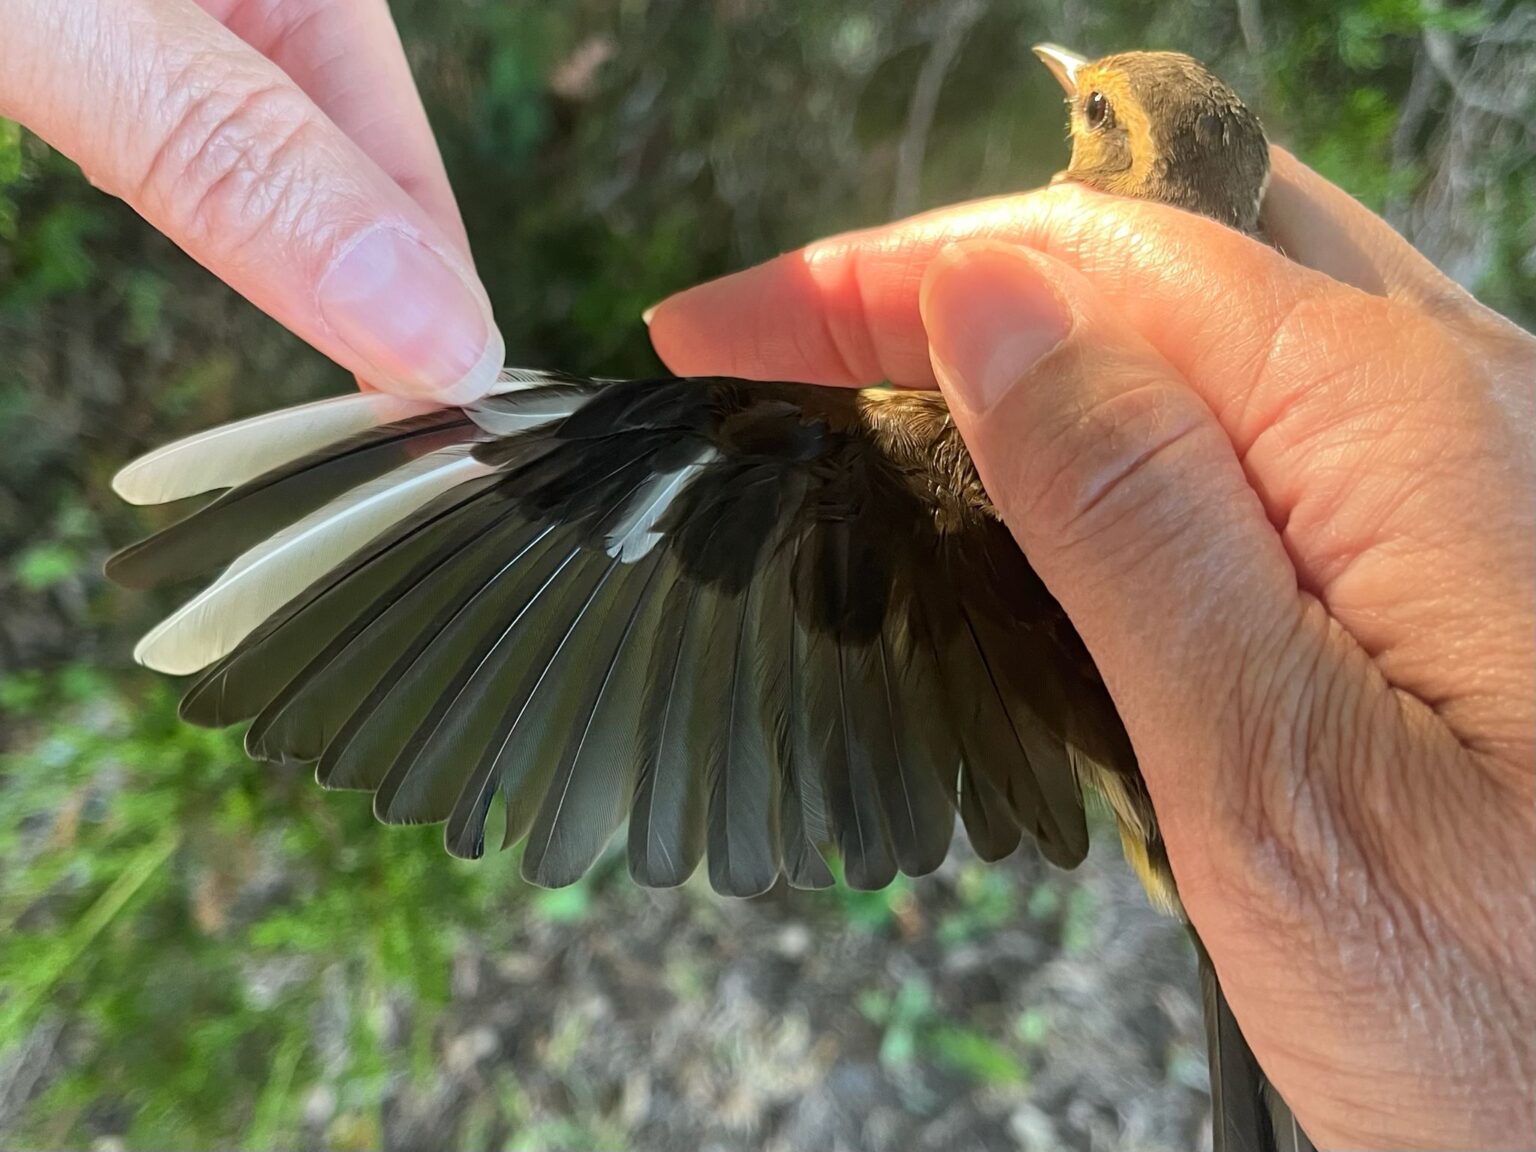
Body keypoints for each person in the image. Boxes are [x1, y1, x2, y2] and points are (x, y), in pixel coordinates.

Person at [3, 3, 1531, 1147]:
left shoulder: (925, 454)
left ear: (1109, 170)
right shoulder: (1289, 403)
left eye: (1098, 113)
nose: (1078, 86)